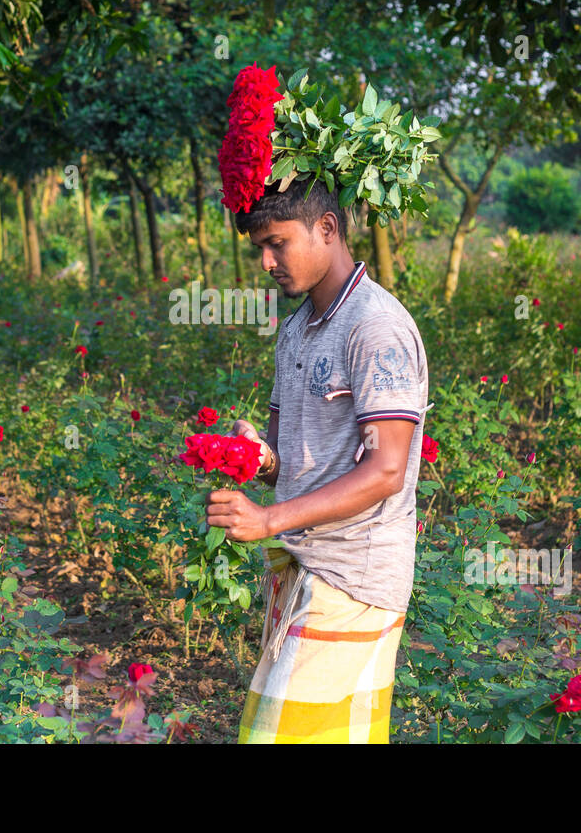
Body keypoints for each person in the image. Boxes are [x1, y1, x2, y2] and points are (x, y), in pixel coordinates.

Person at [205, 175, 430, 743]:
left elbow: (385, 471)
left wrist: (266, 520)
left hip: (353, 576)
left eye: (276, 243)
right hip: (302, 566)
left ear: (327, 228)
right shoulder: (297, 330)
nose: (266, 262)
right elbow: (285, 460)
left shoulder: (375, 328)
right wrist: (257, 458)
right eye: (259, 247)